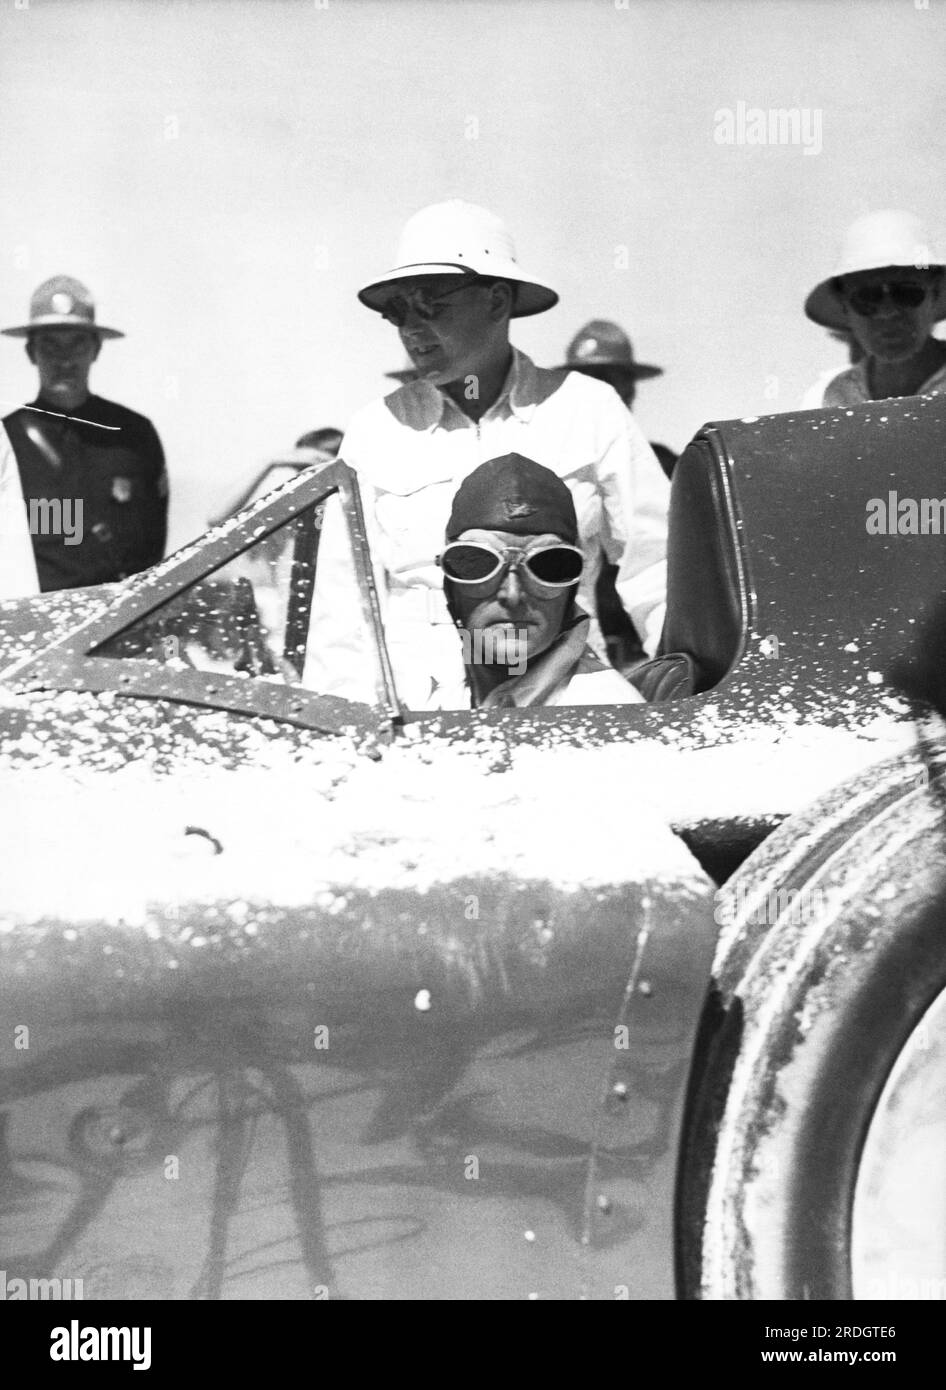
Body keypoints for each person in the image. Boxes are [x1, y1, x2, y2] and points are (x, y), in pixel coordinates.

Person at [308, 199, 669, 711]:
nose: (411, 328)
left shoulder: (588, 409)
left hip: (565, 698)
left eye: (429, 304)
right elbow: (340, 611)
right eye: (398, 311)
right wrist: (342, 727)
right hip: (418, 714)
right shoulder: (376, 429)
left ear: (497, 300)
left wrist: (685, 699)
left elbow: (659, 569)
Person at [434, 454, 643, 708]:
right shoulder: (412, 696)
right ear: (450, 585)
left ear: (571, 587)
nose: (512, 595)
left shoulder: (611, 715)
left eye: (548, 566)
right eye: (479, 563)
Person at [1, 275, 168, 591]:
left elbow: (152, 543)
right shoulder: (7, 440)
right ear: (30, 352)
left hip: (122, 621)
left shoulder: (133, 435)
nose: (64, 360)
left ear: (96, 349)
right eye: (50, 345)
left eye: (77, 343)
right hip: (42, 627)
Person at [802, 211, 946, 407]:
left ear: (934, 294)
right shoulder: (836, 396)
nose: (888, 312)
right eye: (867, 297)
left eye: (906, 293)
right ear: (845, 307)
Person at [558, 318, 677, 477]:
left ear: (629, 390)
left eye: (603, 379)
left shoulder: (664, 468)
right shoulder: (547, 462)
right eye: (581, 380)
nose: (592, 391)